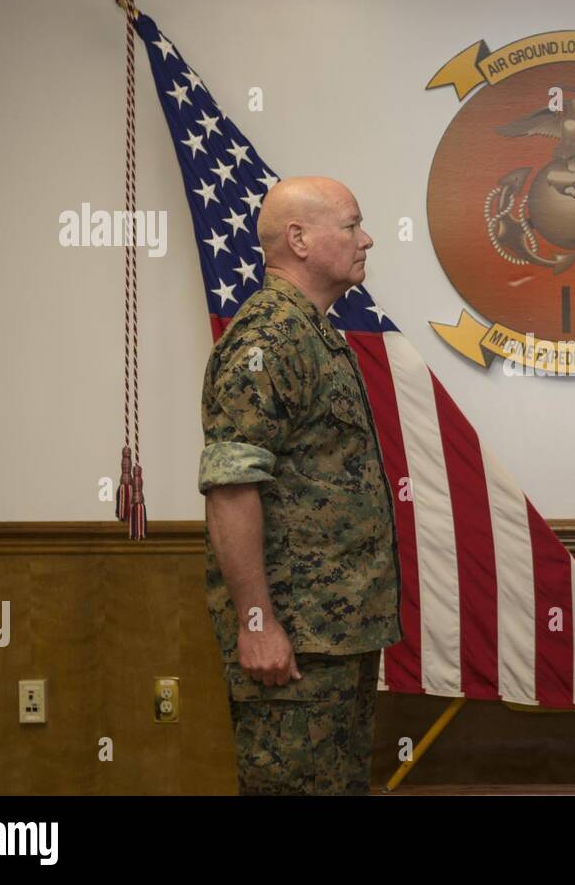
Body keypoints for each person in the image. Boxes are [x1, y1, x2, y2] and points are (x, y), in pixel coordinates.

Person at [198, 176, 400, 795]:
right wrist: (257, 622)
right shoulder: (268, 341)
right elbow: (232, 489)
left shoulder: (313, 335)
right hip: (297, 640)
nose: (366, 239)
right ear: (300, 240)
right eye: (351, 226)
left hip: (336, 636)